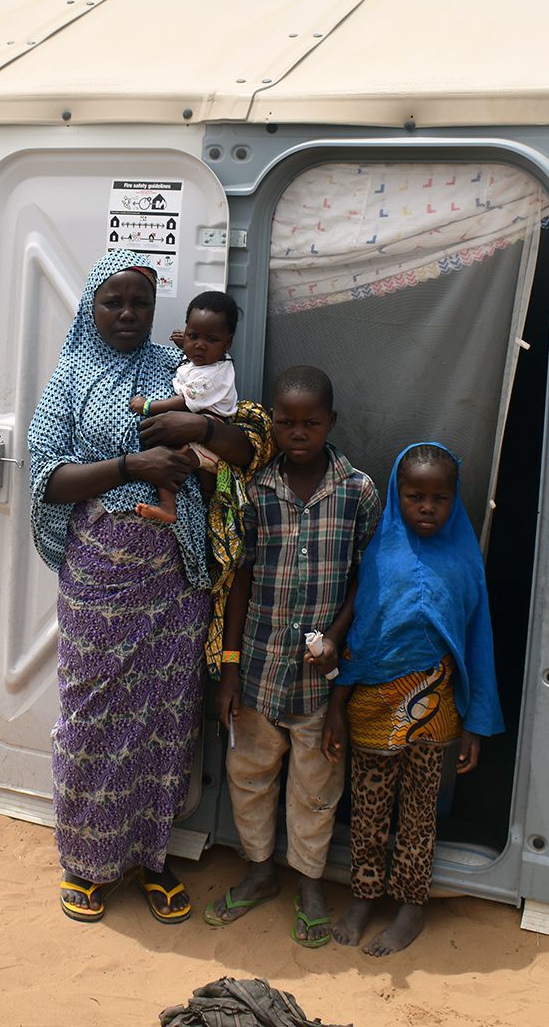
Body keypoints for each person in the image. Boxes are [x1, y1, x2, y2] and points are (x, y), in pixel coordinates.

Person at [29, 250, 258, 925]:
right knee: (92, 715)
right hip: (100, 576)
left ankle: (151, 858)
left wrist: (203, 429)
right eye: (114, 301)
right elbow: (48, 479)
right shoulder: (71, 376)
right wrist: (132, 464)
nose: (128, 314)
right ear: (91, 307)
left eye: (140, 303)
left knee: (165, 718)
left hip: (176, 578)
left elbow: (246, 448)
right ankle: (86, 861)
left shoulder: (179, 366)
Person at [207, 365, 380, 948]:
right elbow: (241, 577)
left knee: (316, 786)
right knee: (249, 775)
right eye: (286, 423)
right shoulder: (257, 490)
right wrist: (230, 667)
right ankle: (260, 872)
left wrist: (335, 636)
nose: (298, 433)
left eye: (311, 423)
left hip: (319, 681)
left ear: (332, 422)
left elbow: (366, 581)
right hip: (258, 669)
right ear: (272, 423)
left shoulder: (358, 491)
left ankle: (310, 884)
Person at [325, 442, 505, 957]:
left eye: (439, 498)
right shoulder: (380, 554)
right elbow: (362, 633)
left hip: (436, 711)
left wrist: (476, 723)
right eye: (414, 496)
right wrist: (336, 706)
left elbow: (478, 641)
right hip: (372, 706)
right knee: (368, 809)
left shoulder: (464, 561)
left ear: (455, 499)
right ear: (396, 495)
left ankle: (410, 906)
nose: (427, 507)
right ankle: (364, 895)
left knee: (420, 815)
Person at [130, 291, 241, 524]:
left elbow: (184, 401)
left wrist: (148, 406)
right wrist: (186, 345)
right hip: (203, 439)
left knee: (169, 462)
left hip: (207, 442)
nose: (199, 346)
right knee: (205, 489)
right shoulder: (211, 360)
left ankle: (168, 507)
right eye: (193, 336)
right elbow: (200, 352)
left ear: (228, 343)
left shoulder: (214, 376)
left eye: (211, 339)